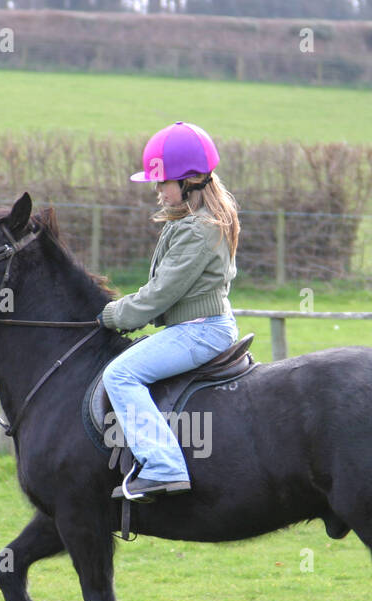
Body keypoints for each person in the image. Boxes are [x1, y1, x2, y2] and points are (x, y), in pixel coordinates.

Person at [98, 121, 241, 502]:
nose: (158, 191)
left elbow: (159, 294)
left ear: (190, 181)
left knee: (122, 374)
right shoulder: (193, 224)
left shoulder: (197, 231)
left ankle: (164, 467)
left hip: (199, 331)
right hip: (195, 326)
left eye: (163, 183)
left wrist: (112, 316)